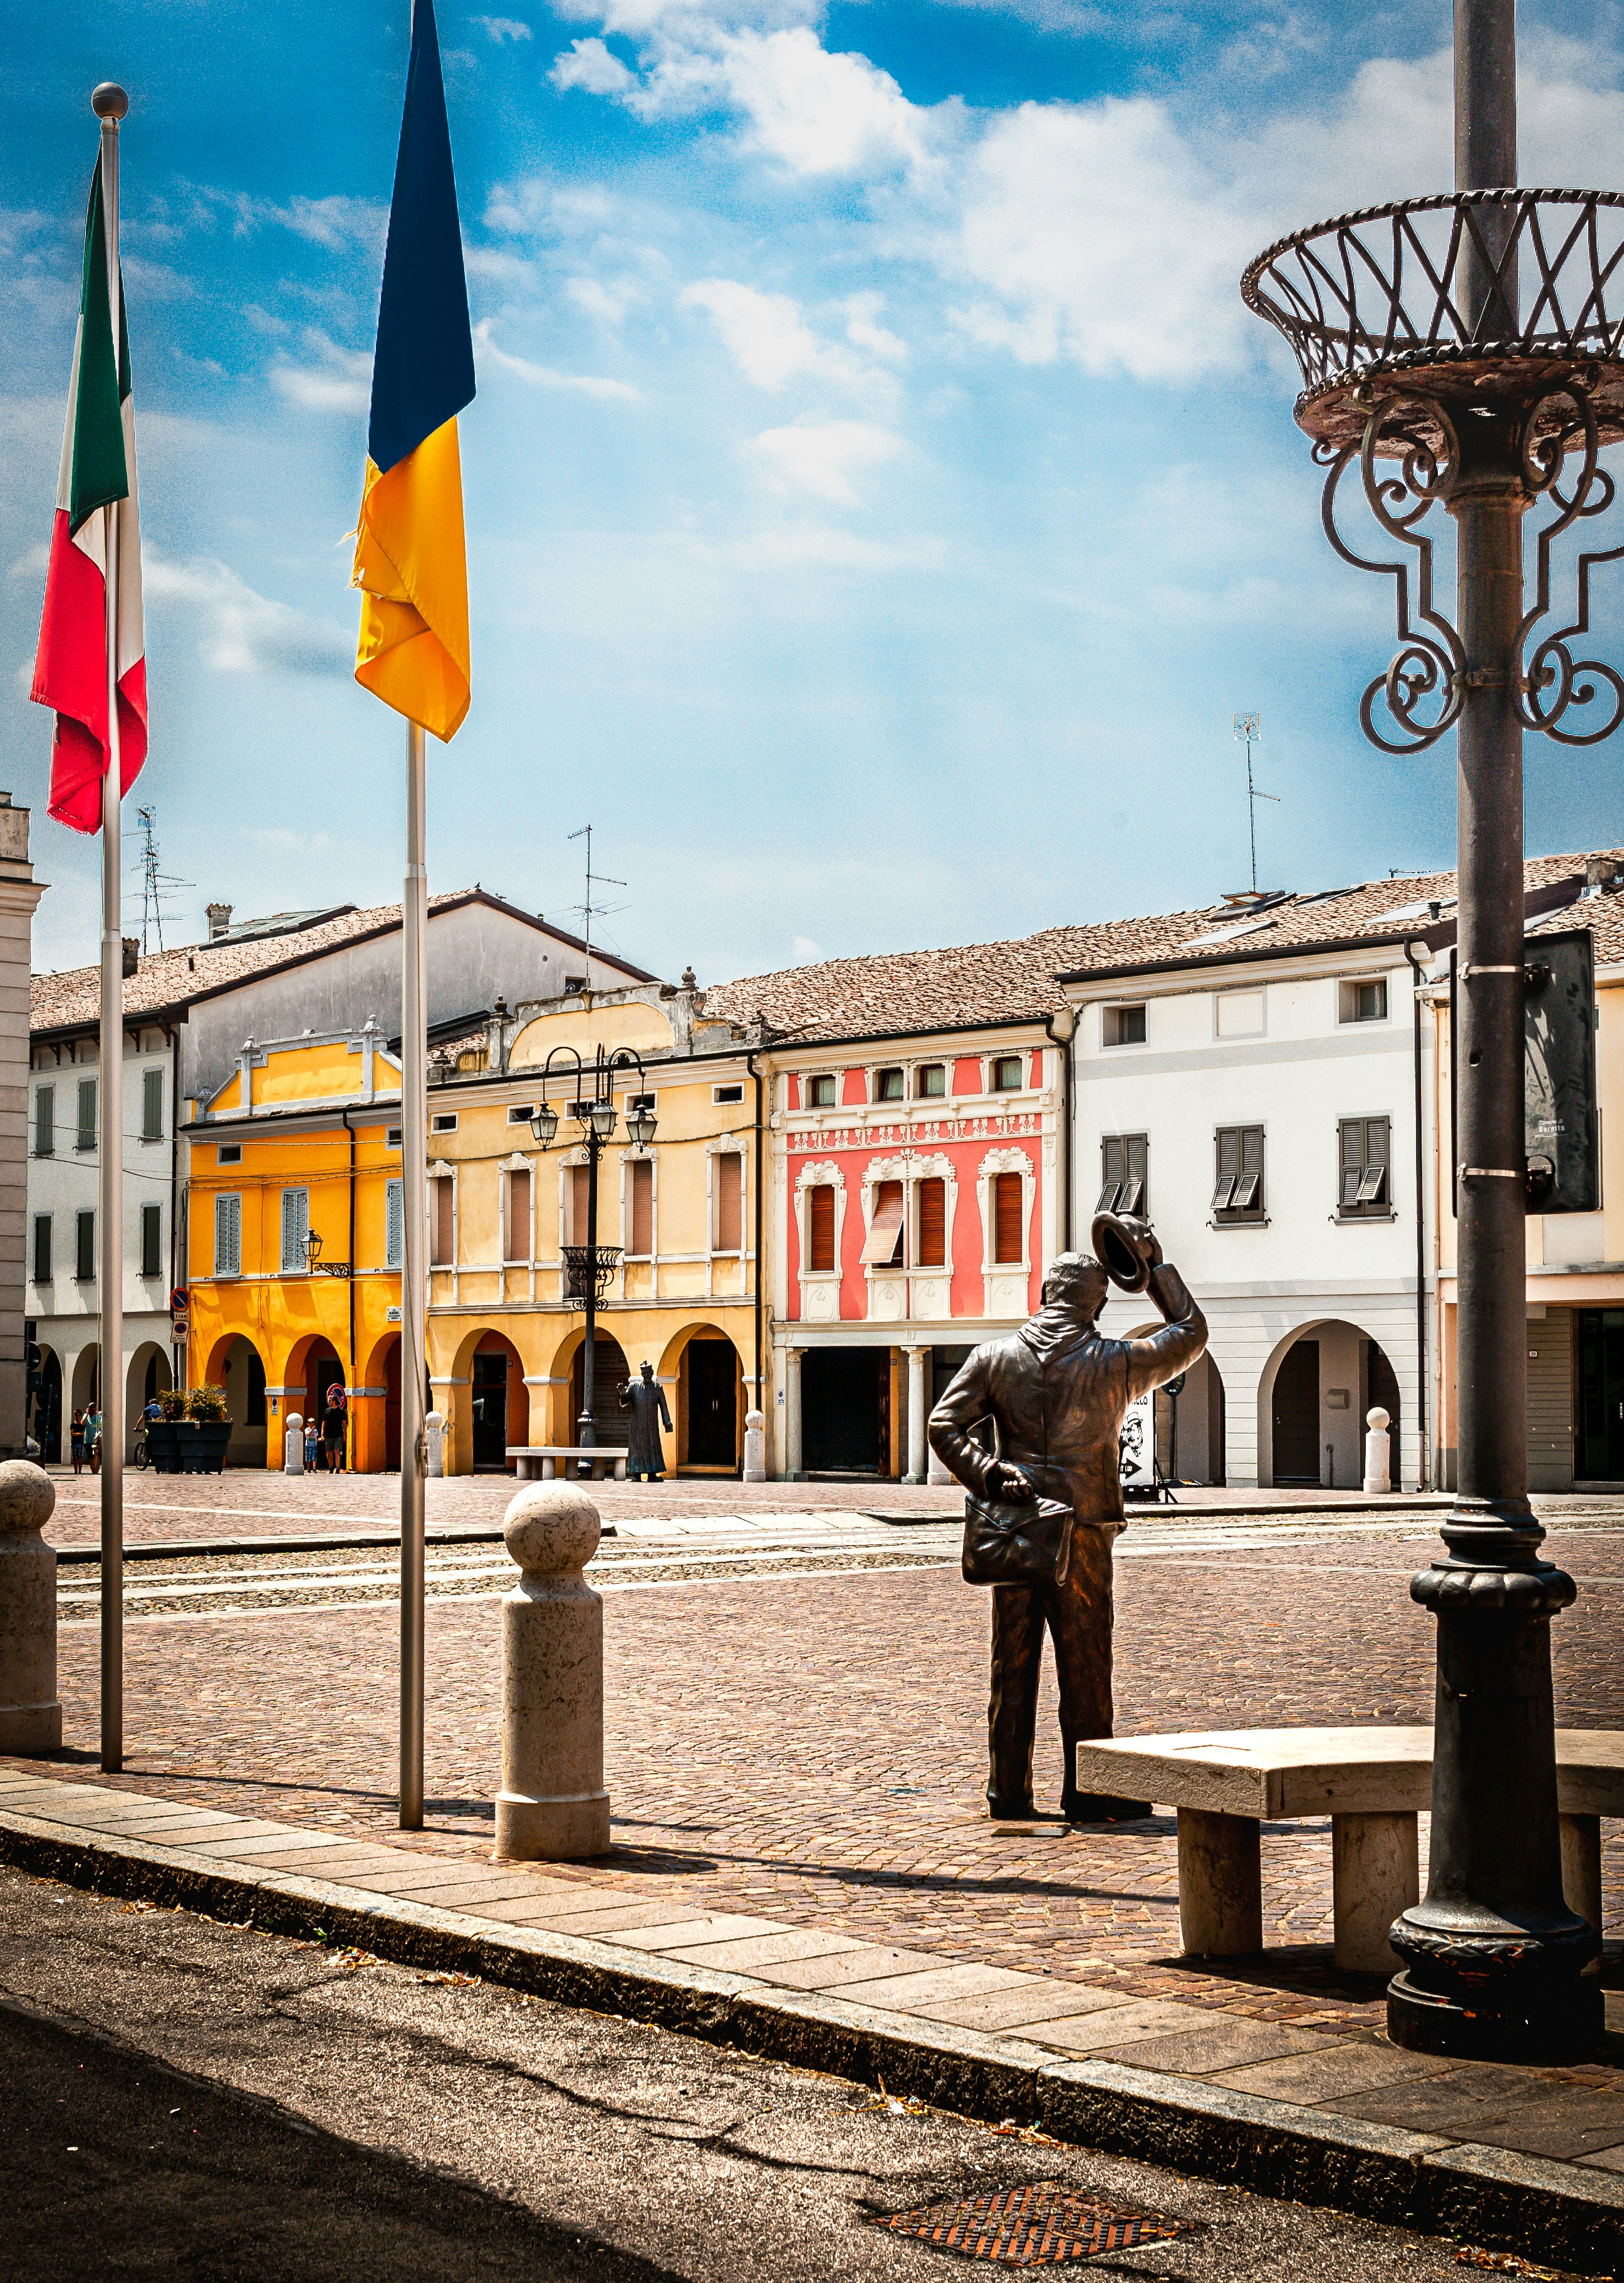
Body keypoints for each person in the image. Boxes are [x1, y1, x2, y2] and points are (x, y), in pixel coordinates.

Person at [928, 1229, 1205, 1825]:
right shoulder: (1116, 1362)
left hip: (1017, 1527)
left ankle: (1008, 1790)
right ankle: (1090, 1791)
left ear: (1044, 1294)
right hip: (1083, 1530)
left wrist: (990, 1473)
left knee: (1012, 1662)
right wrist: (1155, 1267)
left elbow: (943, 1426)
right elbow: (1190, 1332)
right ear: (1097, 1306)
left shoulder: (994, 1357)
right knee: (1086, 1665)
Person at [618, 1360, 672, 1482]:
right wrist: (622, 1394)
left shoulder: (657, 1388)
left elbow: (663, 1406)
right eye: (644, 1373)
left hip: (651, 1425)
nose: (647, 1375)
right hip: (637, 1425)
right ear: (642, 1374)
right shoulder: (634, 1387)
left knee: (652, 1447)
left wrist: (667, 1422)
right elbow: (624, 1403)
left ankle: (652, 1474)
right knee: (637, 1447)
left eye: (648, 1372)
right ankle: (637, 1474)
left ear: (652, 1372)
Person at [323, 1381, 347, 1474]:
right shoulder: (327, 1411)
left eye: (329, 1401)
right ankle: (331, 1467)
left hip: (338, 1435)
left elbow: (344, 1424)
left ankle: (338, 1468)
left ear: (334, 1401)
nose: (328, 1402)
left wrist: (344, 1435)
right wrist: (322, 1434)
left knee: (337, 1451)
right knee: (329, 1452)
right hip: (329, 1435)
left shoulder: (341, 1412)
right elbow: (324, 1423)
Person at [70, 1407, 86, 1476]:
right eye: (76, 1415)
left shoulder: (82, 1425)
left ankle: (80, 1471)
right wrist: (80, 1434)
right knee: (75, 1458)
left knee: (80, 1458)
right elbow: (72, 1433)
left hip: (80, 1443)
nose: (78, 1417)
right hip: (74, 1443)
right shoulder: (73, 1424)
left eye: (79, 1415)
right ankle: (76, 1470)